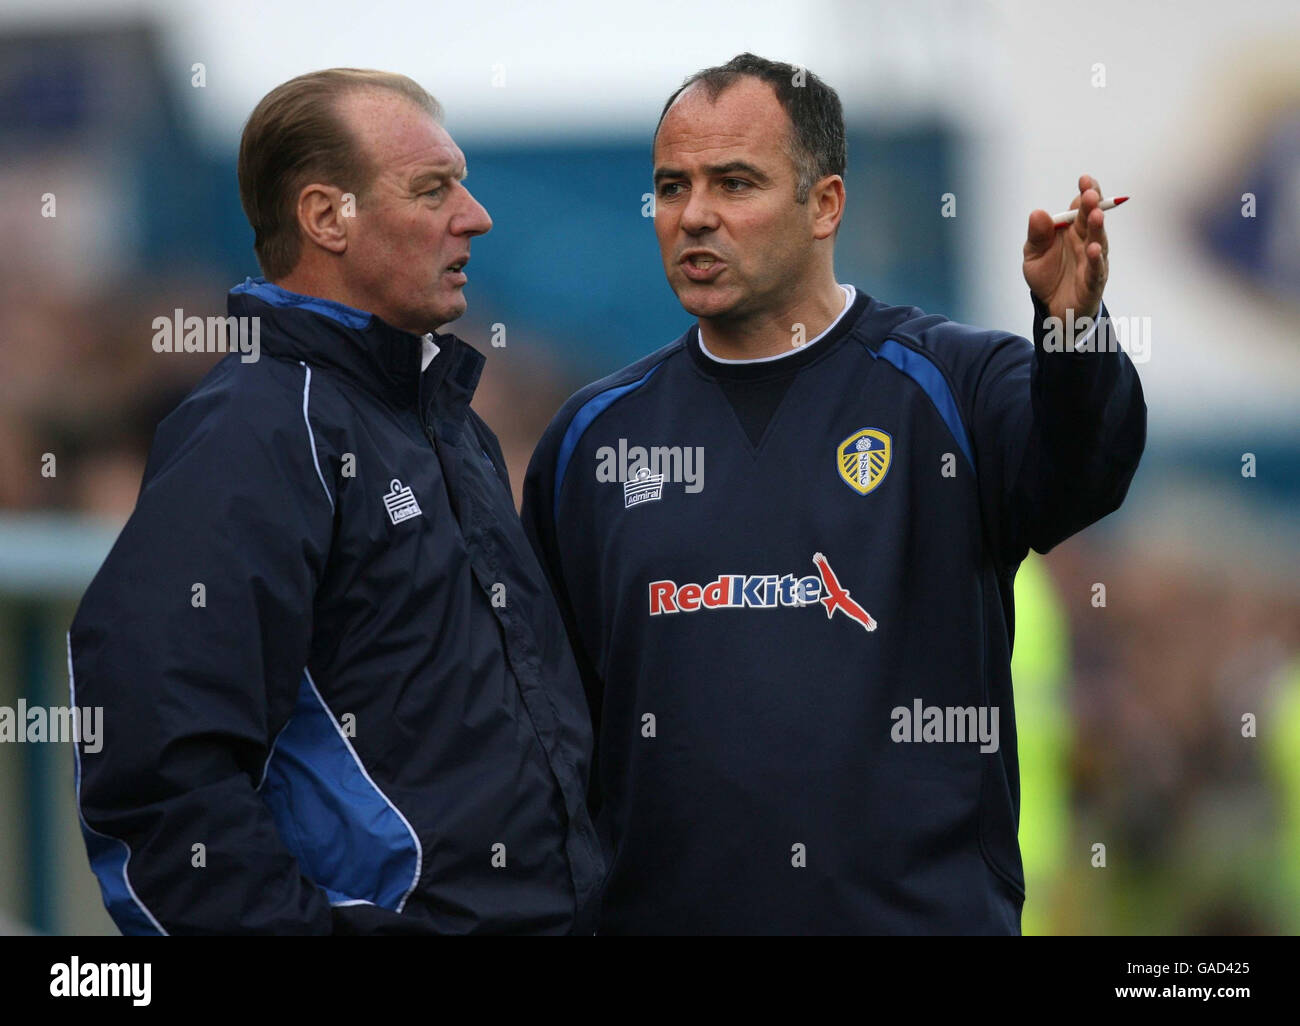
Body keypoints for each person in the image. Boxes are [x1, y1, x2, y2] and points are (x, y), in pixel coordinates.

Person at [522, 53, 1146, 934]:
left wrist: (1074, 333)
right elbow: (547, 732)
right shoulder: (592, 441)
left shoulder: (954, 383)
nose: (694, 216)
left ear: (826, 205)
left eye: (735, 183)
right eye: (671, 187)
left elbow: (1085, 474)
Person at [68, 69, 604, 935]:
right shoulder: (253, 430)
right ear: (327, 218)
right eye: (433, 189)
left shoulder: (444, 424)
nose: (475, 215)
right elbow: (154, 777)